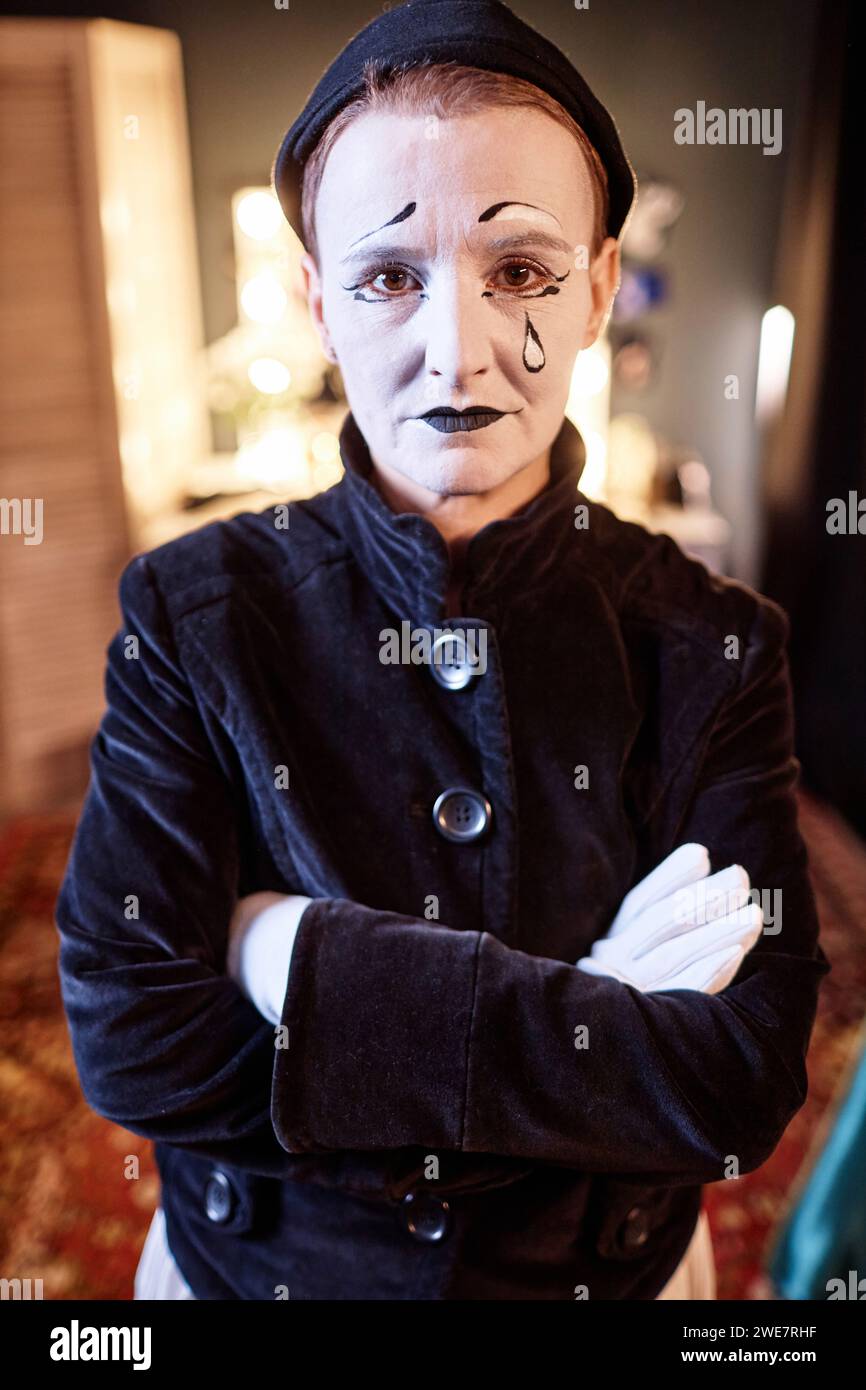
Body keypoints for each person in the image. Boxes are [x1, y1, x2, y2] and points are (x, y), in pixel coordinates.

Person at [55, 0, 830, 1301]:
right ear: (315, 301)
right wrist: (587, 1034)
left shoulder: (716, 645)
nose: (458, 351)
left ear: (594, 290)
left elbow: (733, 1085)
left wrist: (286, 956)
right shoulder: (192, 613)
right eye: (386, 275)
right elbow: (133, 1040)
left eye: (519, 272)